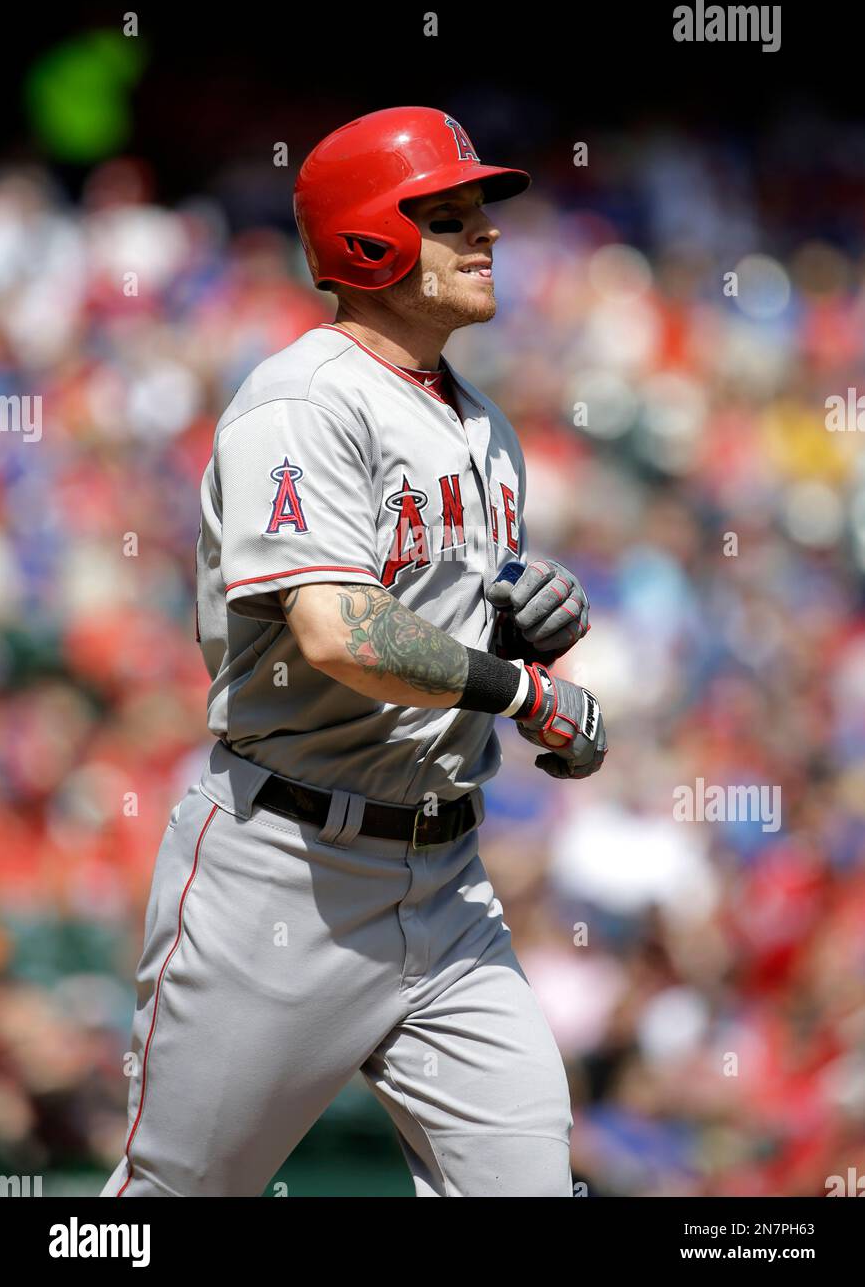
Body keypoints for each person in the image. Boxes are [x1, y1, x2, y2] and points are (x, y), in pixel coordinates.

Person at [100, 106, 607, 1199]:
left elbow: (434, 633)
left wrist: (520, 638)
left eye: (481, 214)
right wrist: (523, 689)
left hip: (445, 877)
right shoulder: (303, 398)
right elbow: (336, 631)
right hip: (284, 868)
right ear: (368, 238)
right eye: (450, 215)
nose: (486, 236)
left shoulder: (482, 427)